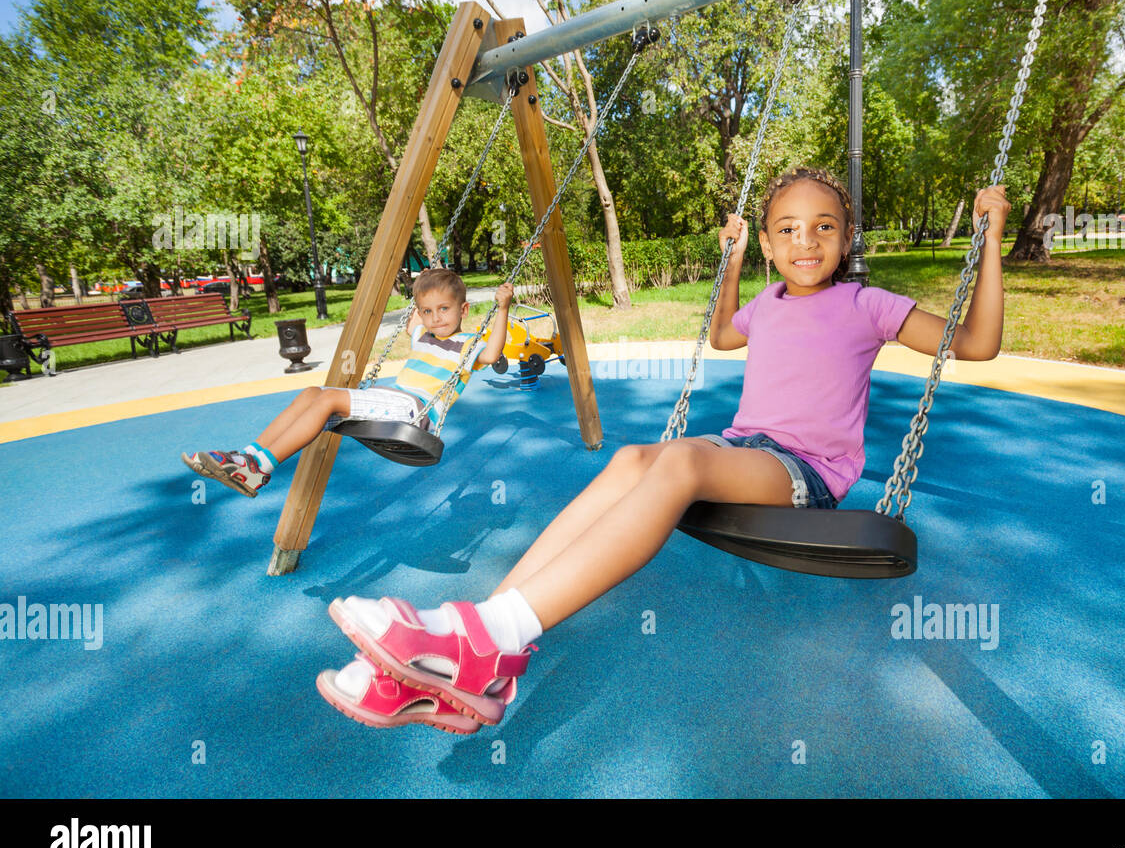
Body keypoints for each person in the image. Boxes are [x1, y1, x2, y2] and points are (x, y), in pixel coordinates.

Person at [315, 166, 1012, 734]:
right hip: (743, 449)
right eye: (788, 230)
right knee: (628, 461)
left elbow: (975, 343)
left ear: (847, 236)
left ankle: (488, 634)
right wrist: (731, 262)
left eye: (824, 228)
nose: (807, 242)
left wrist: (993, 237)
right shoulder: (765, 303)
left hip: (803, 473)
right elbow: (722, 335)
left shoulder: (869, 304)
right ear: (769, 243)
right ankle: (480, 653)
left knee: (679, 459)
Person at [184, 269, 513, 498]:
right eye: (429, 311)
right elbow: (416, 311)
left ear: (463, 309)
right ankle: (245, 457)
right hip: (391, 399)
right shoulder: (422, 334)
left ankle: (260, 467)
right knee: (312, 393)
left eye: (444, 309)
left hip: (414, 411)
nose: (436, 317)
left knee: (328, 402)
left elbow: (493, 352)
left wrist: (502, 308)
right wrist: (423, 279)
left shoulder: (467, 343)